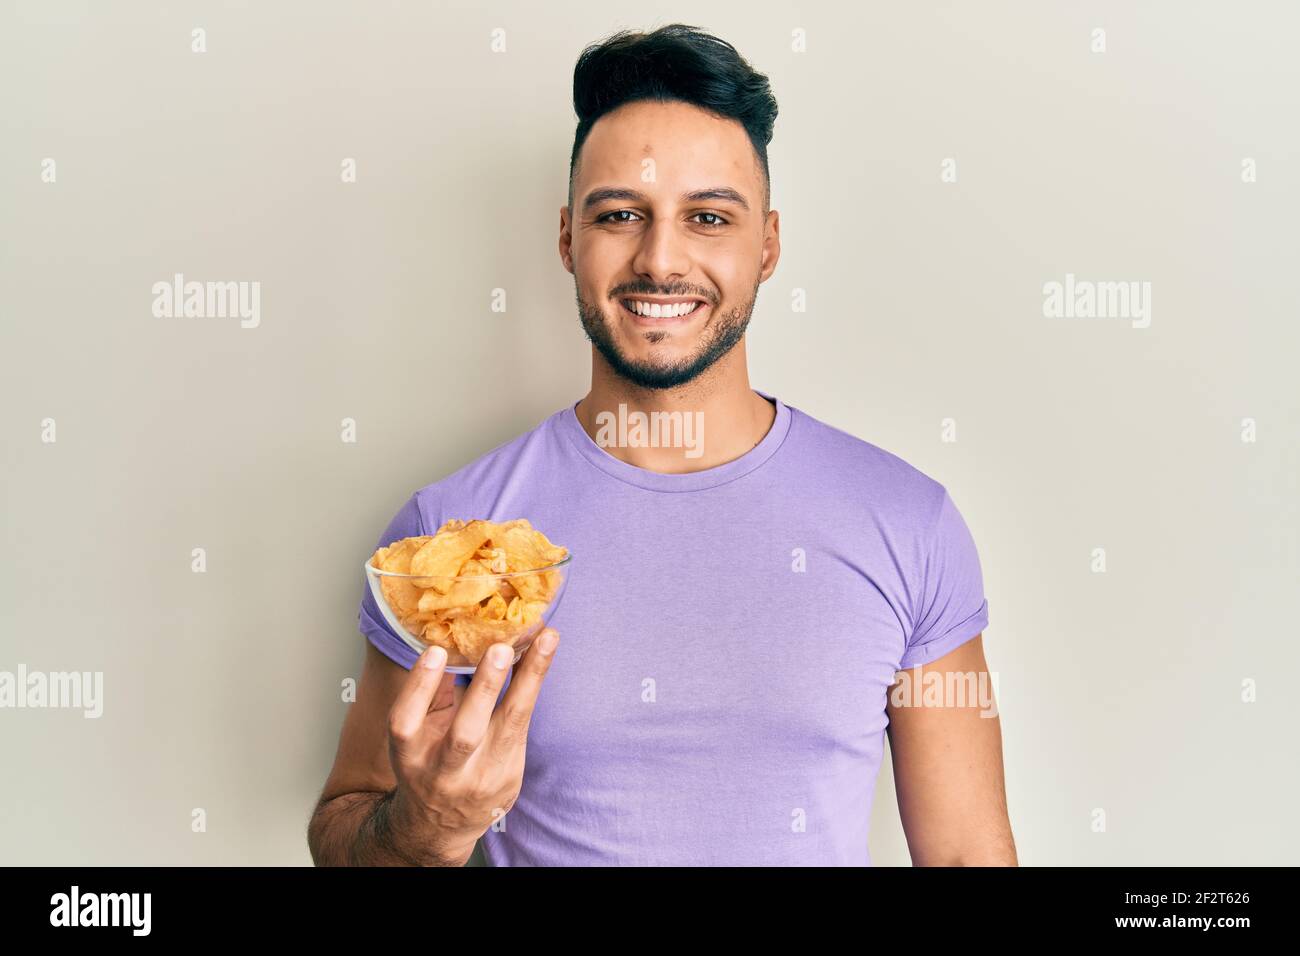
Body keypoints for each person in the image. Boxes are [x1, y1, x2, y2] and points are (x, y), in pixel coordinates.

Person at [308, 23, 1016, 867]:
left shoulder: (907, 523)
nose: (661, 259)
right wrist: (426, 830)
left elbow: (969, 853)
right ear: (569, 239)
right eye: (620, 215)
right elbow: (345, 828)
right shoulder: (453, 535)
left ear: (769, 245)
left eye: (709, 216)